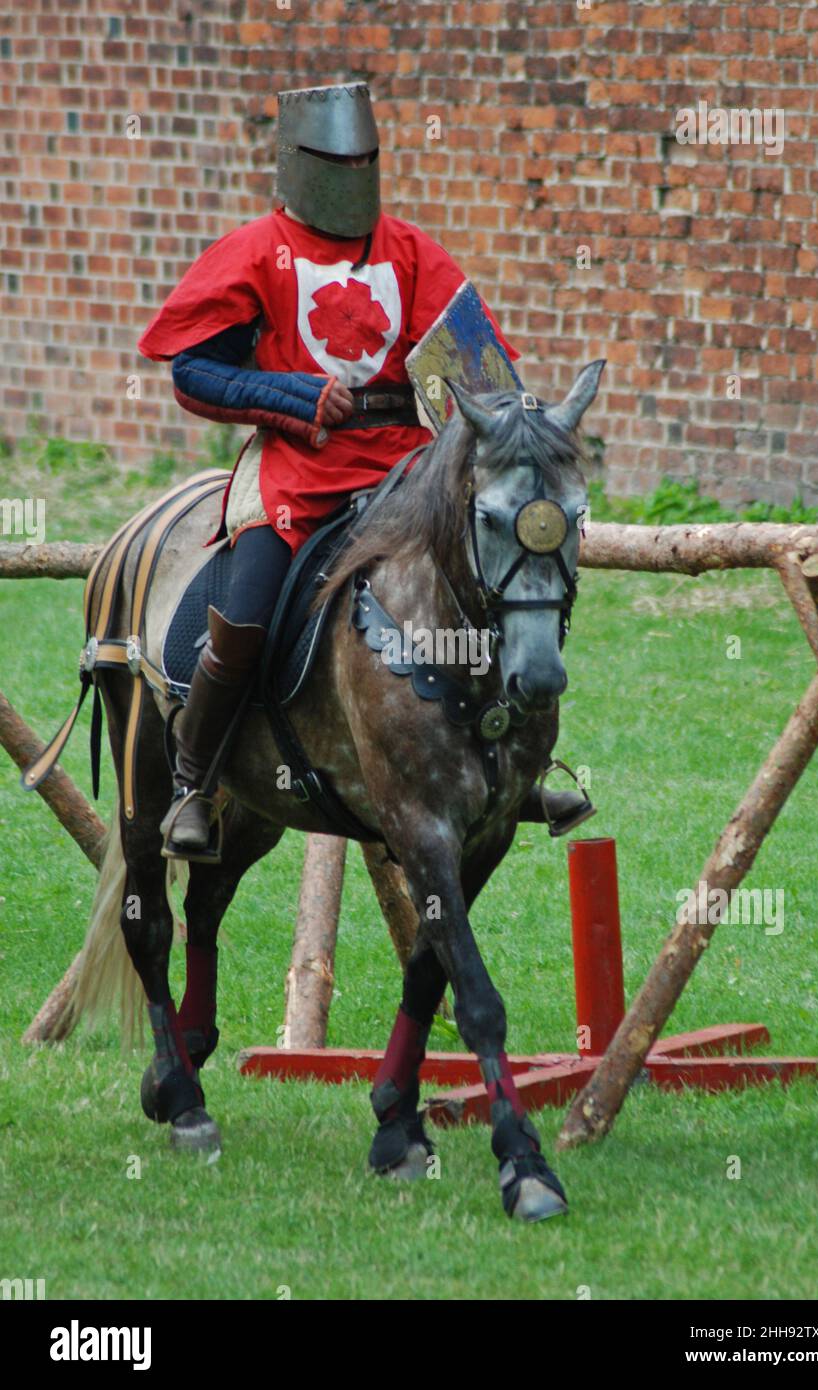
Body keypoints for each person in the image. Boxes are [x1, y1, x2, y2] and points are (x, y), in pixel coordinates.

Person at [138, 82, 591, 862]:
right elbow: (193, 372)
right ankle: (191, 781)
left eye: (363, 158)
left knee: (483, 582)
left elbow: (479, 373)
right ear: (296, 159)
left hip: (401, 465)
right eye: (333, 158)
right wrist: (292, 393)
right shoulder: (256, 251)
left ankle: (520, 764)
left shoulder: (408, 251)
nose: (350, 172)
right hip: (295, 469)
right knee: (247, 615)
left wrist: (516, 427)